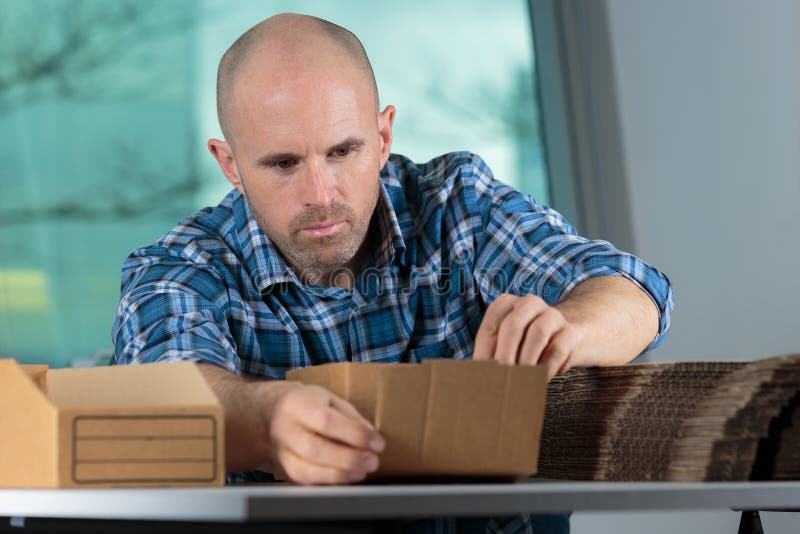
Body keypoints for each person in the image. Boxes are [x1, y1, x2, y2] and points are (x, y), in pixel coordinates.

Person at [112, 12, 672, 533]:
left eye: (343, 151)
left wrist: (569, 328)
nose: (320, 195)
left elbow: (634, 291)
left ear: (382, 138)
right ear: (229, 164)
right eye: (282, 163)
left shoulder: (459, 206)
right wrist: (266, 419)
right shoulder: (181, 267)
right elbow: (165, 401)